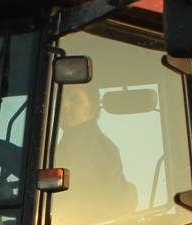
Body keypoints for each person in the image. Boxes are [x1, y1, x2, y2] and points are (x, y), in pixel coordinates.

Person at [54, 83, 136, 216]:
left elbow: (109, 205)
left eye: (74, 99)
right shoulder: (66, 143)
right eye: (61, 99)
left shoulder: (102, 149)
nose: (64, 105)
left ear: (92, 108)